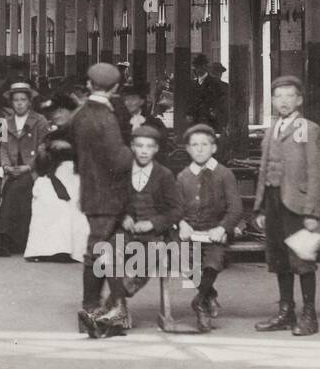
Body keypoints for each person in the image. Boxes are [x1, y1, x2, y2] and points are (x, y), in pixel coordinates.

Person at [253, 75, 320, 336]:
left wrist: (311, 212)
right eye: (278, 96)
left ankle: (309, 315)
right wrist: (260, 207)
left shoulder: (308, 128)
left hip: (297, 204)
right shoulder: (271, 130)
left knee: (303, 258)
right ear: (272, 100)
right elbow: (263, 170)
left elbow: (317, 173)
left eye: (289, 96)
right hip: (272, 203)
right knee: (279, 259)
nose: (283, 101)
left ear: (299, 100)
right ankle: (286, 312)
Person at [69, 63, 135, 337]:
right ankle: (91, 309)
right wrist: (142, 155)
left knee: (103, 250)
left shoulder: (81, 113)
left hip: (91, 190)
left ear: (88, 85)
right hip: (108, 194)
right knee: (98, 250)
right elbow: (118, 159)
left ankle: (110, 309)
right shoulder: (105, 117)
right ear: (117, 88)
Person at [176, 124, 242, 332]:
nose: (200, 149)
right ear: (187, 149)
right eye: (194, 145)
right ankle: (209, 295)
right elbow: (175, 207)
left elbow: (235, 208)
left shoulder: (224, 174)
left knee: (213, 261)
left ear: (214, 148)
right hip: (191, 232)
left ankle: (199, 302)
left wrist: (223, 228)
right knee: (187, 263)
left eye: (205, 144)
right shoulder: (183, 176)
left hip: (215, 230)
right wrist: (182, 223)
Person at [116, 124, 179, 328]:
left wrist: (152, 222)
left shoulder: (164, 175)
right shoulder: (123, 173)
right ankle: (120, 305)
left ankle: (122, 293)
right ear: (132, 147)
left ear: (157, 149)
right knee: (111, 249)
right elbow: (113, 201)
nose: (144, 151)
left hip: (156, 234)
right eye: (139, 145)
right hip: (128, 231)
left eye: (149, 146)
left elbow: (177, 210)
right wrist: (123, 216)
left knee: (155, 251)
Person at [0, 82, 49, 256]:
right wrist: (6, 166)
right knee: (10, 188)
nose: (19, 103)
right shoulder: (5, 122)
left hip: (34, 170)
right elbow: (3, 148)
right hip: (12, 170)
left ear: (30, 102)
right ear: (11, 102)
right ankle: (13, 240)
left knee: (16, 190)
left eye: (23, 99)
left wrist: (28, 167)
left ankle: (2, 237)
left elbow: (44, 148)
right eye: (15, 100)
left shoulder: (40, 121)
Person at [24, 131, 88, 262]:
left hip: (77, 174)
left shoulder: (82, 130)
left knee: (75, 206)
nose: (59, 115)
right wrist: (44, 151)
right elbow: (40, 164)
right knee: (48, 201)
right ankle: (46, 250)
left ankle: (72, 250)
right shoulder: (50, 136)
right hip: (53, 175)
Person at [120, 81, 167, 148]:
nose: (129, 103)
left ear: (141, 101)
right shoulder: (120, 123)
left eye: (133, 98)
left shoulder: (156, 124)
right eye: (126, 99)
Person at [189, 54, 227, 132]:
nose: (196, 70)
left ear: (205, 67)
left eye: (199, 67)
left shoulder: (215, 83)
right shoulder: (192, 84)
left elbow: (221, 102)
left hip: (212, 122)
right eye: (195, 67)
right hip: (196, 123)